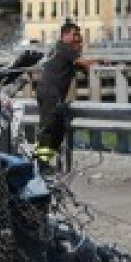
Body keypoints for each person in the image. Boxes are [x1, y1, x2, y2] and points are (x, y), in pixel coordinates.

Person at [35, 22, 98, 169]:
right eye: (74, 34)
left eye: (78, 35)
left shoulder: (59, 50)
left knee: (58, 127)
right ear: (65, 35)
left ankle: (44, 160)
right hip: (51, 93)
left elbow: (78, 66)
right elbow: (84, 63)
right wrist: (101, 61)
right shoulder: (65, 48)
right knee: (49, 127)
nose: (78, 38)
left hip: (48, 92)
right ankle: (41, 163)